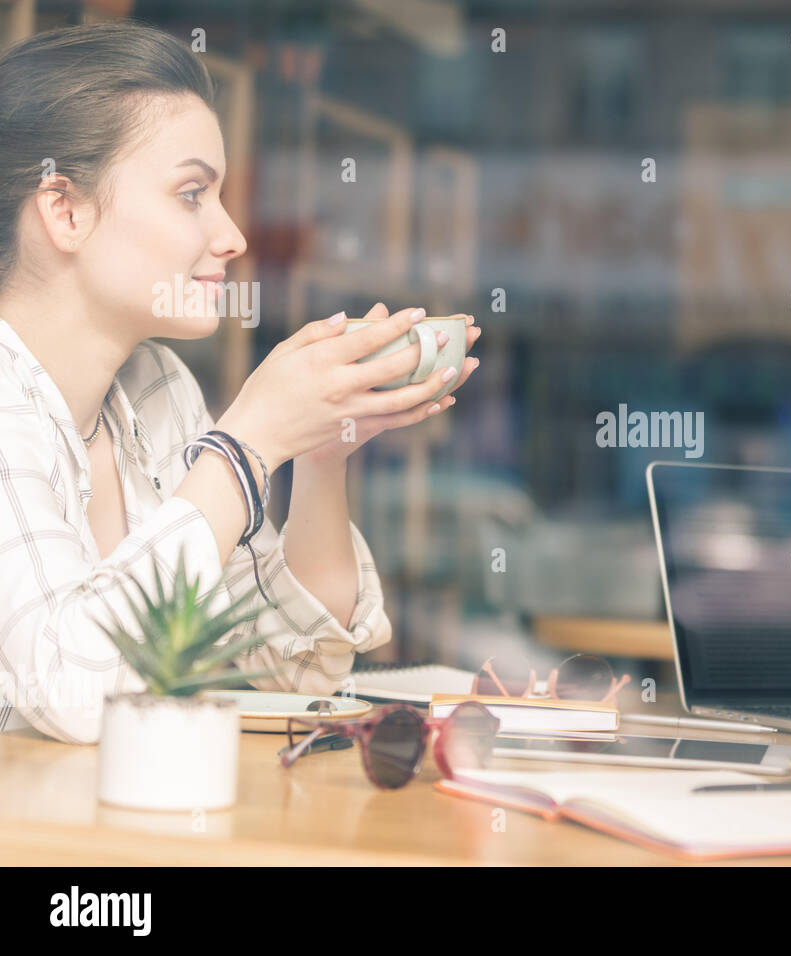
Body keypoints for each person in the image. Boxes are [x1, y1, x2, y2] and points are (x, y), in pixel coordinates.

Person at [0, 22, 479, 744]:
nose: (232, 236)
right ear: (64, 211)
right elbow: (73, 689)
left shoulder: (155, 390)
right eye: (192, 193)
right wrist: (249, 440)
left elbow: (283, 657)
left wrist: (321, 449)